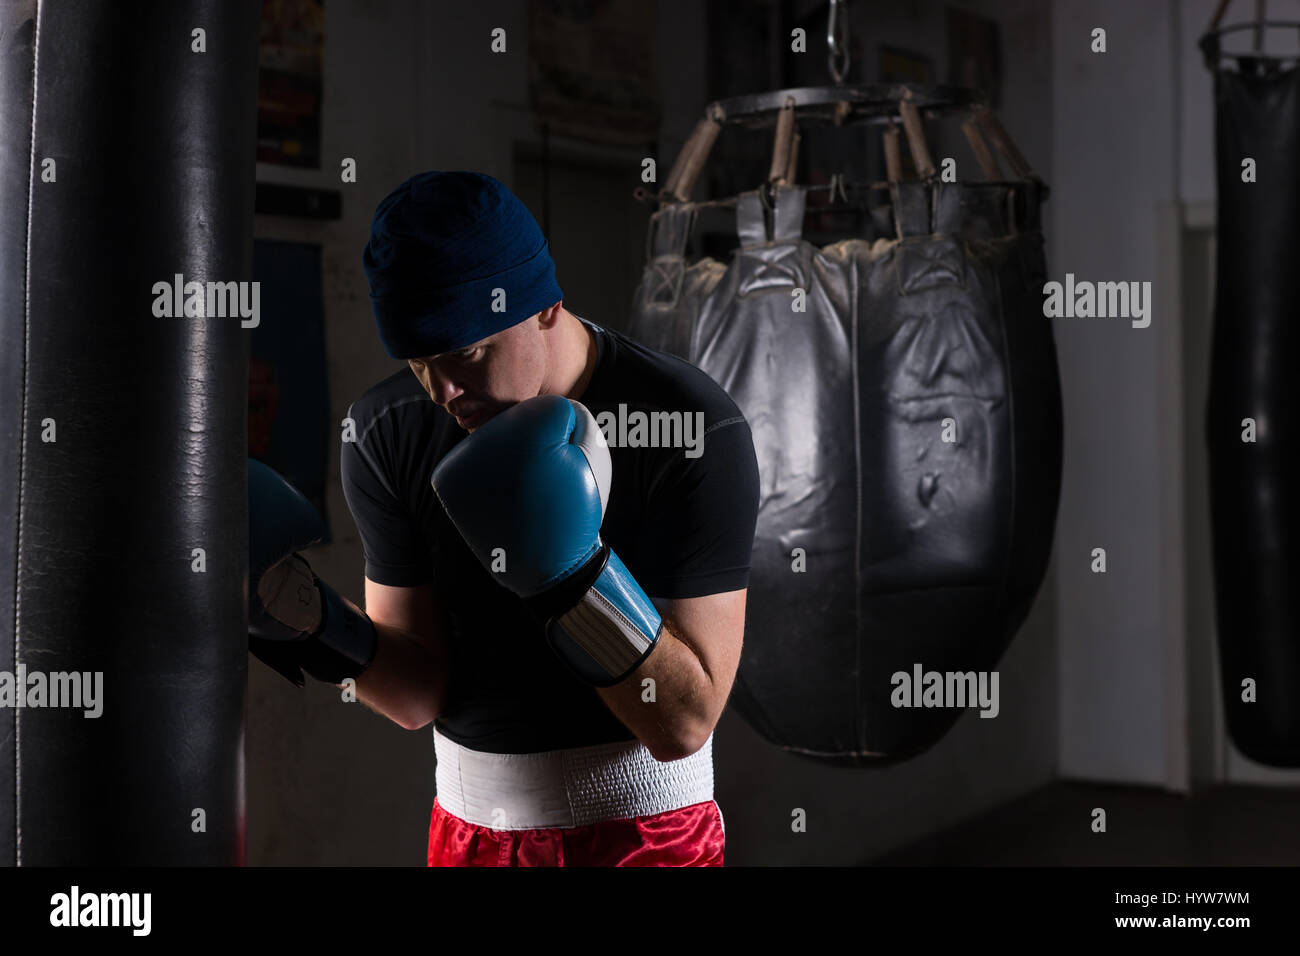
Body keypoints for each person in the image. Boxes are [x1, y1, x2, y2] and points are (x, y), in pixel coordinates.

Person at [248, 170, 759, 867]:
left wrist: (573, 579)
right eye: (420, 362)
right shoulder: (386, 430)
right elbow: (416, 694)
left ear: (546, 307)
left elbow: (684, 723)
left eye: (467, 353)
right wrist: (309, 621)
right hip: (469, 835)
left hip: (644, 837)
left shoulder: (688, 423)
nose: (444, 390)